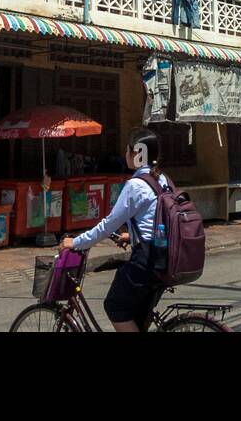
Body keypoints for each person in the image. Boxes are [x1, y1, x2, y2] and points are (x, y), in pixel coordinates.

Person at [60, 126, 171, 332]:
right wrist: (134, 236)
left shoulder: (136, 185)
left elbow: (107, 225)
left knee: (115, 306)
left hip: (147, 260)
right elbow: (159, 219)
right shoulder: (163, 180)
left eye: (128, 150)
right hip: (165, 256)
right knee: (136, 316)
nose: (125, 154)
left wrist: (75, 242)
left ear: (137, 154)